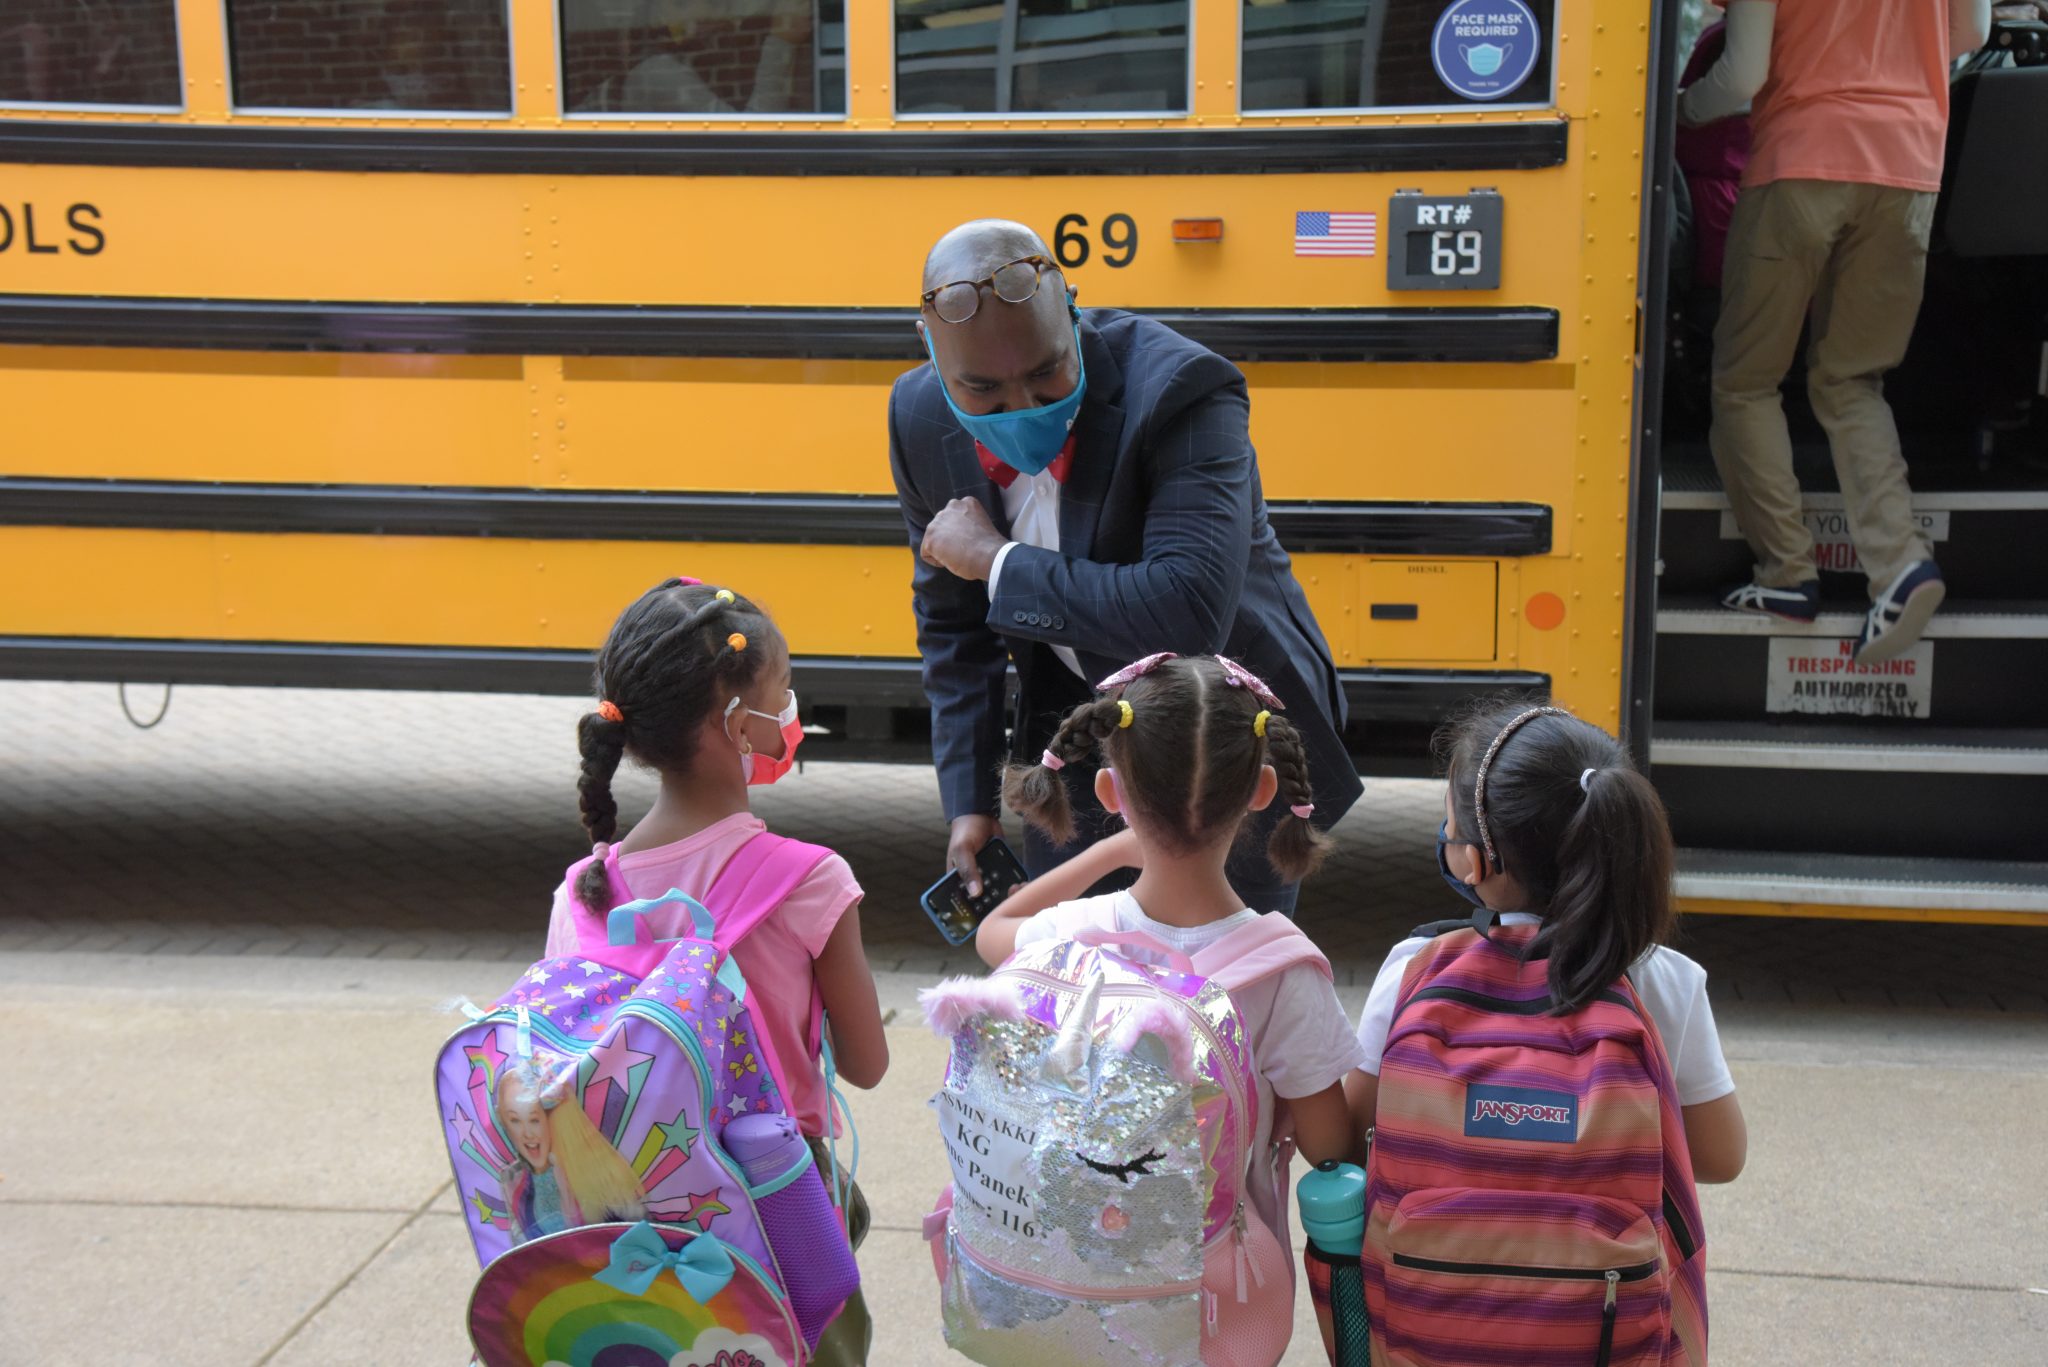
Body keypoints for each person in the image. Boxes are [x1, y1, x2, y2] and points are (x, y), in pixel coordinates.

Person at [890, 218, 1362, 914]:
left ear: (1072, 313)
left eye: (1047, 374)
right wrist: (969, 803)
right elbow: (954, 630)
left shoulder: (1184, 389)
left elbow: (1185, 612)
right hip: (1074, 739)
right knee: (1070, 967)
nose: (1023, 407)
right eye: (984, 390)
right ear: (930, 349)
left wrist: (996, 561)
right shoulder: (917, 414)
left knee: (1220, 974)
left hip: (1223, 737)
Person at [542, 577, 887, 1366]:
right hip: (775, 1197)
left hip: (625, 1208)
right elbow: (867, 1065)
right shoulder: (808, 879)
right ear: (738, 724)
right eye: (783, 689)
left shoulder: (582, 893)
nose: (792, 708)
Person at [974, 653, 1364, 1241]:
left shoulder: (1072, 932)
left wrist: (1106, 853)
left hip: (1065, 1261)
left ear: (1109, 792)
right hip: (1216, 1279)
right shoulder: (1283, 968)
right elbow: (1329, 1146)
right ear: (1264, 790)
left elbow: (992, 933)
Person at [1680, 0, 1991, 663]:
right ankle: (1901, 565)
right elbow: (1972, 31)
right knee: (1852, 381)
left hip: (1801, 158)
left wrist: (1680, 111)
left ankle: (1787, 573)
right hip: (1909, 165)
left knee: (1745, 381)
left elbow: (1742, 75)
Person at [1345, 703, 1747, 1183]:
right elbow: (1721, 1158)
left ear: (1476, 861)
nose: (1445, 835)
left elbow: (1352, 1139)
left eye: (1449, 825)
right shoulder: (1666, 981)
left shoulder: (1413, 967)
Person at [494, 1052, 648, 1244]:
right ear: (503, 1121)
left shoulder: (595, 1171)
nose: (527, 1134)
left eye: (534, 1120)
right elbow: (516, 1243)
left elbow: (640, 1230)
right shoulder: (512, 1179)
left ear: (553, 1119)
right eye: (514, 1120)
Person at [620, 0, 812, 114]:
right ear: (658, 16)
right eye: (681, 2)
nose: (703, 13)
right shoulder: (657, 71)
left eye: (715, 2)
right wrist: (780, 43)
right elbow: (748, 144)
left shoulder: (710, 65)